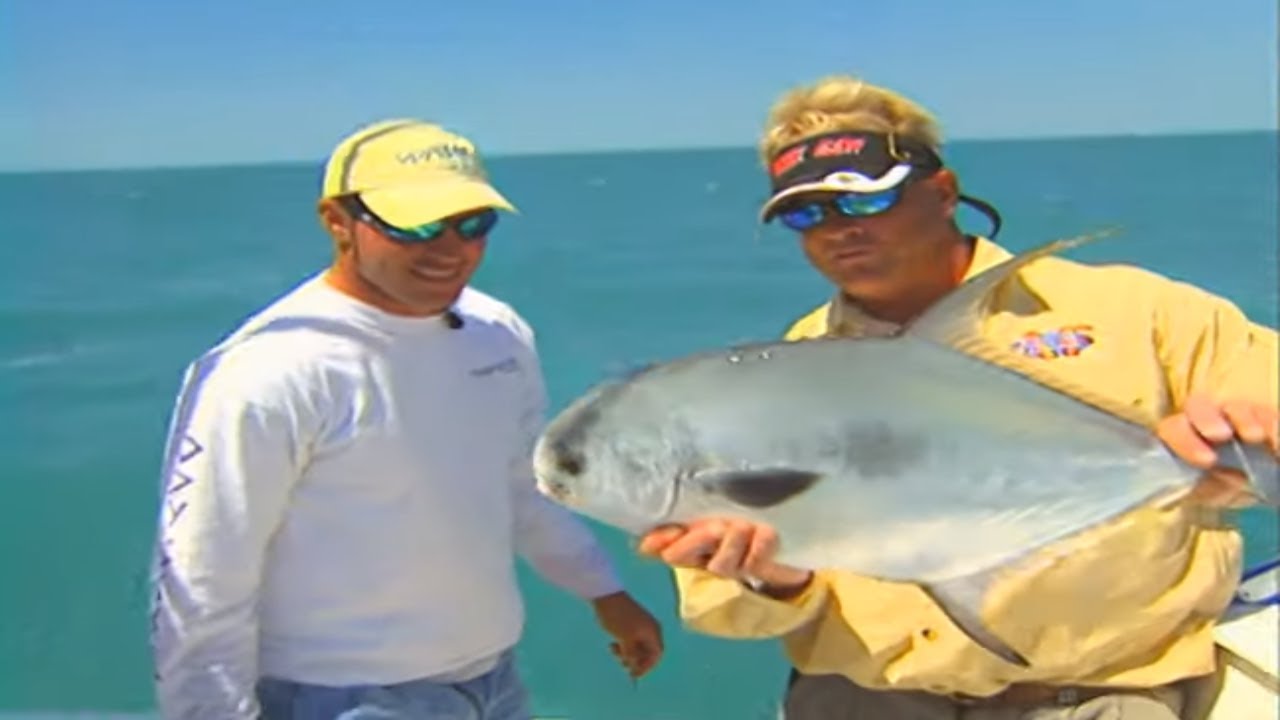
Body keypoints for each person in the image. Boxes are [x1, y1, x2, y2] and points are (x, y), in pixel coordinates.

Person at [637, 76, 1278, 719]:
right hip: (866, 699)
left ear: (941, 193)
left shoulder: (1131, 312)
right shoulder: (782, 373)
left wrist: (1245, 435)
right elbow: (728, 610)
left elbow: (1263, 385)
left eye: (864, 203)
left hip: (1093, 696)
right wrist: (769, 576)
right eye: (808, 215)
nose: (837, 231)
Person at [148, 118, 664, 720]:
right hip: (340, 698)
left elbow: (519, 486)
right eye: (414, 223)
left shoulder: (498, 333)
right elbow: (203, 582)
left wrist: (603, 590)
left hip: (493, 680)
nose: (448, 247)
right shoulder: (265, 370)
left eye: (473, 223)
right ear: (337, 222)